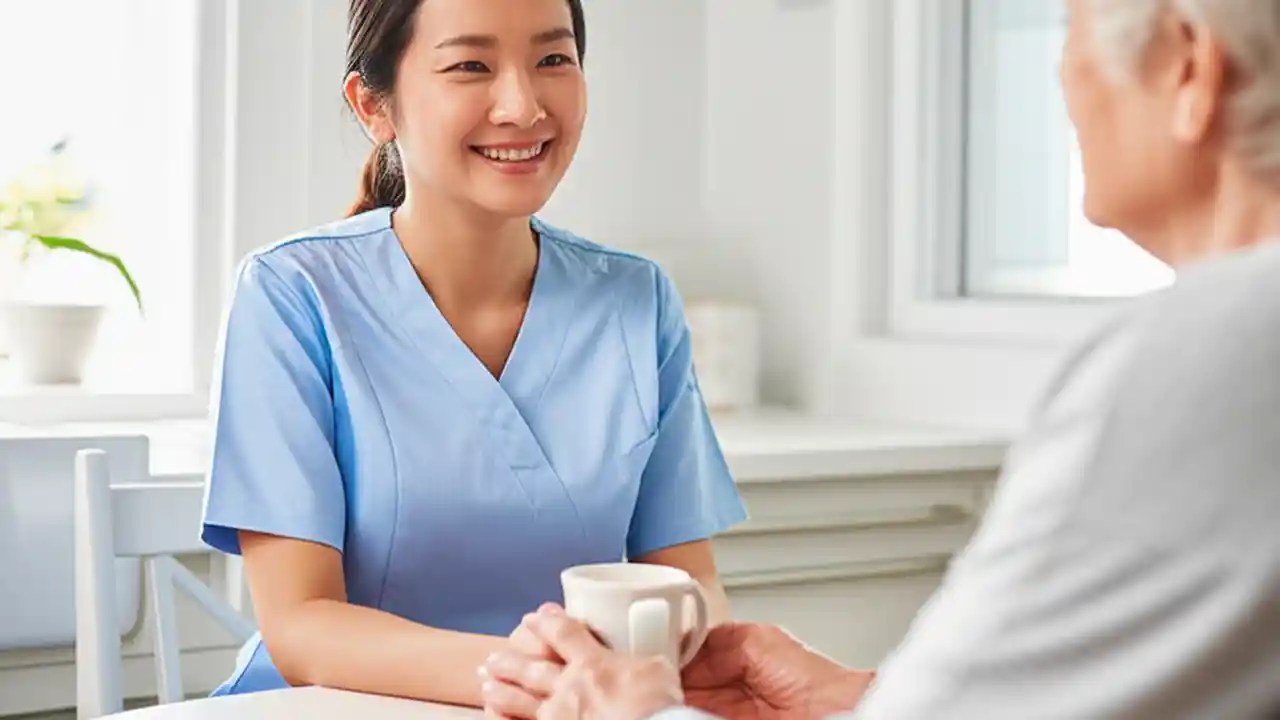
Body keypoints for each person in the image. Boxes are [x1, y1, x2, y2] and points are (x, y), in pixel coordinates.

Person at [481, 0, 1280, 717]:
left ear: (1187, 67)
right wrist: (866, 702)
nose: (1062, 81)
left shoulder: (1195, 359)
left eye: (1071, 36)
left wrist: (632, 714)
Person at [198, 0, 747, 708]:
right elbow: (302, 626)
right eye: (470, 66)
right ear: (373, 106)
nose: (523, 106)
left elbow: (690, 585)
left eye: (553, 59)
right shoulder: (292, 294)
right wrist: (542, 678)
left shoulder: (636, 300)